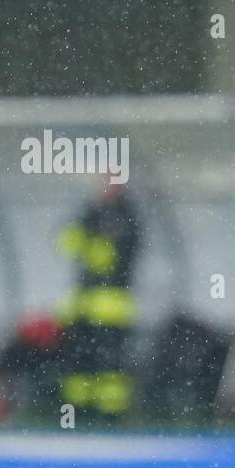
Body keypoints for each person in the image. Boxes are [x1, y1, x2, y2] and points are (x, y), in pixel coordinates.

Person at [57, 177, 140, 425]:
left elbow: (109, 257)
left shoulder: (126, 216)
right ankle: (76, 412)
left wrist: (90, 243)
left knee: (110, 363)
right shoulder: (91, 212)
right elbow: (65, 241)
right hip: (83, 305)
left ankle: (110, 415)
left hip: (112, 307)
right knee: (79, 361)